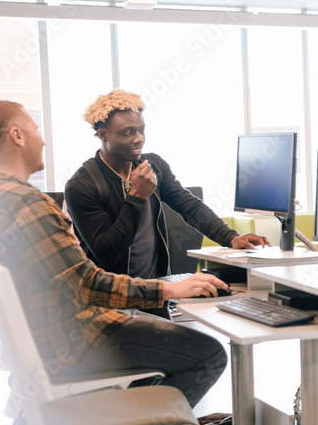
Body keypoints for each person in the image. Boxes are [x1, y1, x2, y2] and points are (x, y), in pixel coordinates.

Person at [0, 100, 228, 425]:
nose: (43, 137)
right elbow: (88, 283)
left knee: (168, 352)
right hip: (76, 341)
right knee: (209, 354)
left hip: (47, 345)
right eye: (36, 128)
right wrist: (173, 290)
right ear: (17, 136)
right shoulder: (30, 204)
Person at [64, 89, 269, 318]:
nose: (138, 138)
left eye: (141, 130)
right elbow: (106, 253)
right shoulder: (82, 185)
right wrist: (136, 197)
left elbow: (189, 206)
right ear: (103, 135)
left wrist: (231, 237)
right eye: (128, 132)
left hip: (155, 297)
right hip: (111, 306)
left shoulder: (154, 166)